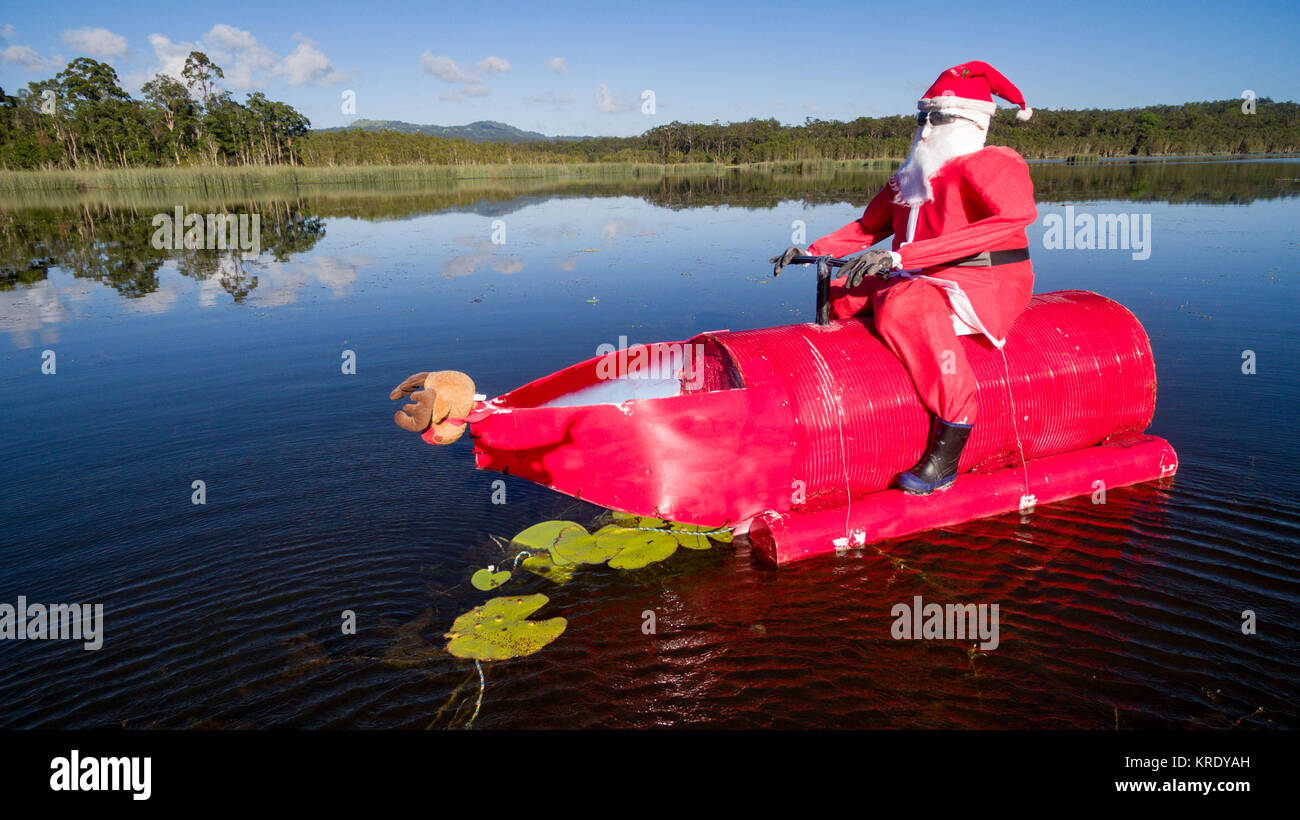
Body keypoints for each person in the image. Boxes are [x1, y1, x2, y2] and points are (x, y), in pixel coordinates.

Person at [772, 61, 1038, 495]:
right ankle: (849, 397)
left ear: (974, 122)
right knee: (843, 290)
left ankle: (953, 433)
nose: (927, 130)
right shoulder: (909, 177)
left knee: (904, 303)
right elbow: (868, 227)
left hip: (981, 281)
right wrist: (813, 251)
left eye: (940, 118)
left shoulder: (992, 163)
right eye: (922, 118)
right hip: (917, 271)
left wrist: (902, 256)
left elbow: (1013, 220)